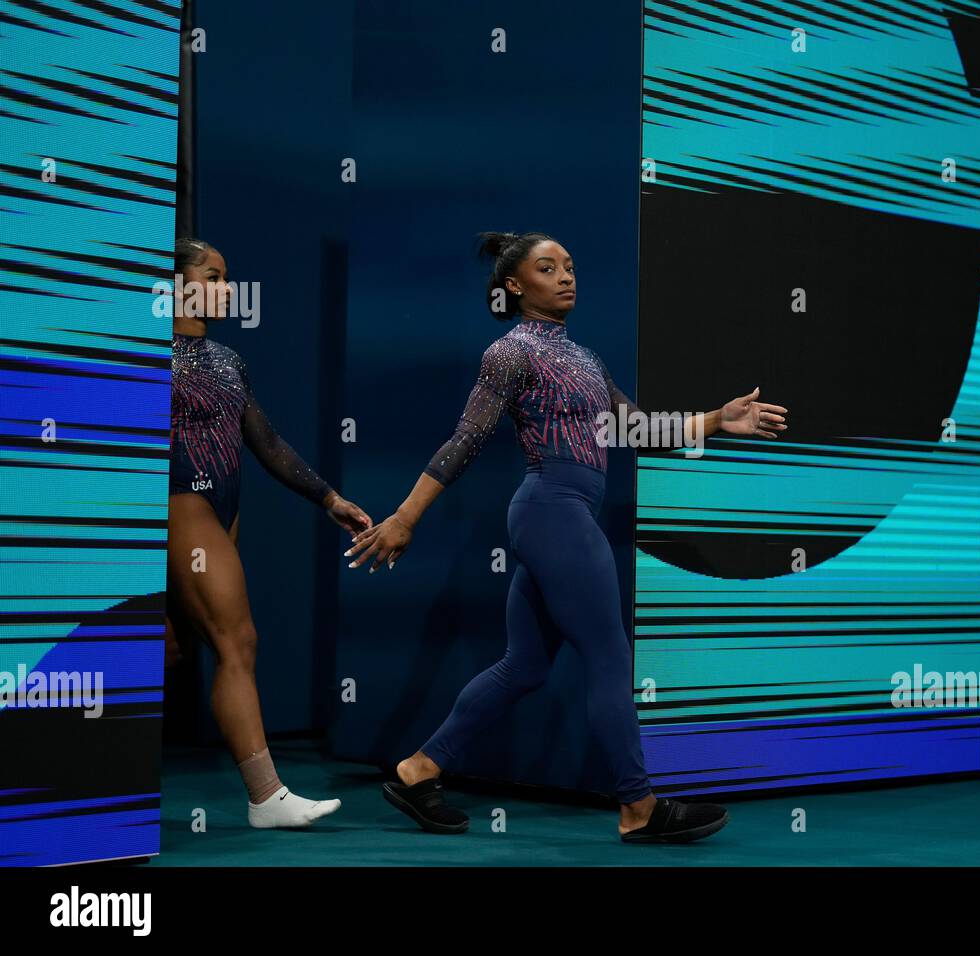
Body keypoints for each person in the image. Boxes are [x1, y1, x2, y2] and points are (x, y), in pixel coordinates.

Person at [346, 231, 789, 843]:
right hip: (552, 510)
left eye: (570, 266)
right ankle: (638, 806)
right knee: (609, 656)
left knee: (525, 665)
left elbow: (634, 427)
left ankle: (419, 769)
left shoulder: (582, 357)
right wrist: (405, 517)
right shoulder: (509, 353)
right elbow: (464, 441)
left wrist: (716, 420)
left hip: (557, 516)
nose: (565, 277)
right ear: (514, 287)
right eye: (548, 268)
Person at [167, 238, 371, 828]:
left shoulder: (229, 359)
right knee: (238, 642)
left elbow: (267, 442)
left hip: (222, 510)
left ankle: (70, 771)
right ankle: (266, 795)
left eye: (229, 276)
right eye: (214, 275)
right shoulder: (140, 355)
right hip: (180, 505)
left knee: (167, 650)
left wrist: (327, 497)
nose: (228, 288)